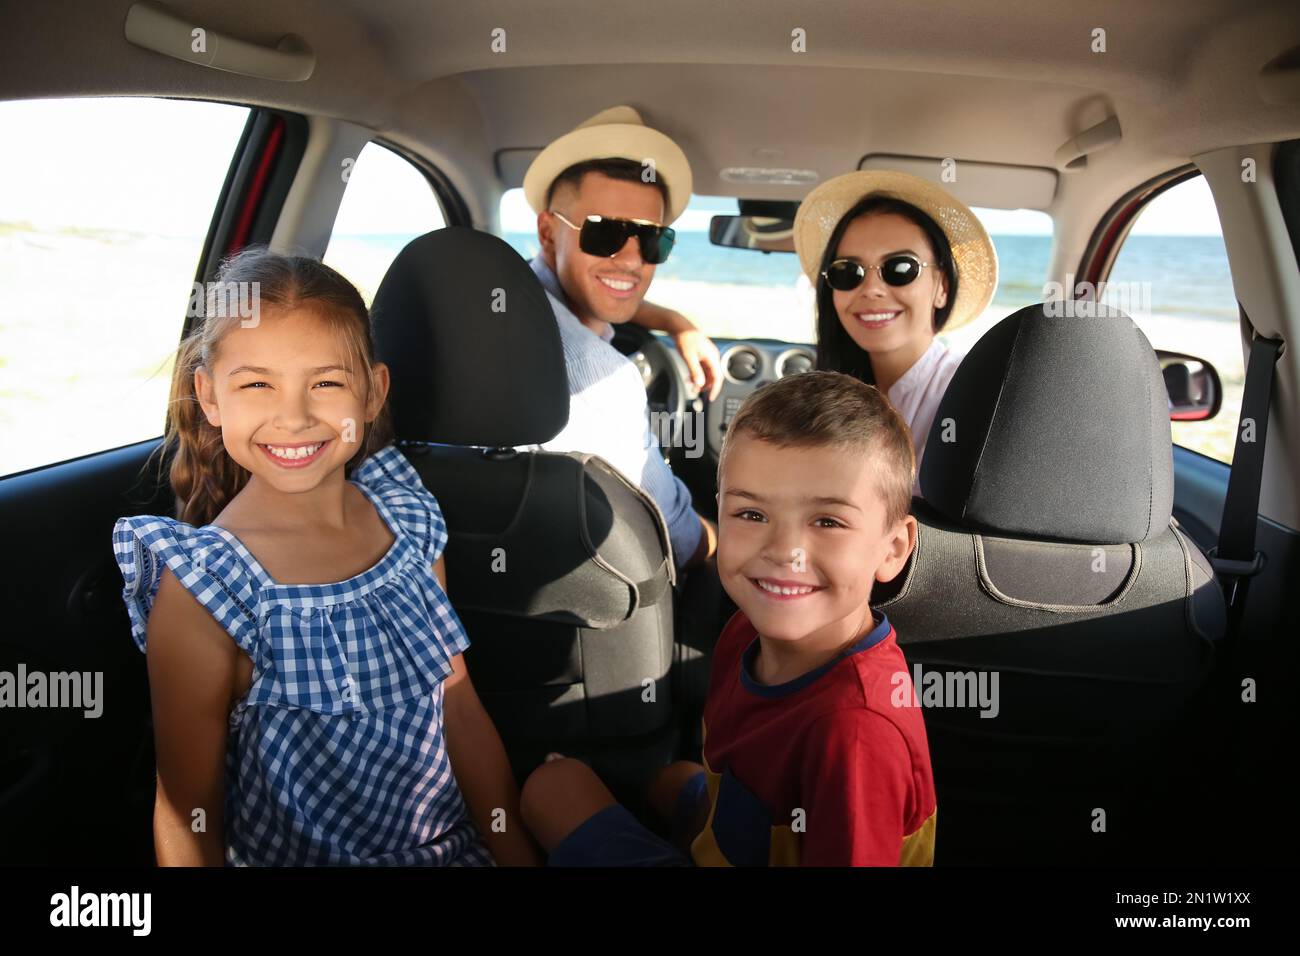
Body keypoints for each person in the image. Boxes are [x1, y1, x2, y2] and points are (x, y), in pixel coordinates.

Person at [112, 248, 538, 866]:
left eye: (327, 382)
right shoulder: (208, 590)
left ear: (372, 392)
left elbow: (459, 708)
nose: (294, 417)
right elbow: (186, 812)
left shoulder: (409, 524)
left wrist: (514, 853)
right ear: (209, 396)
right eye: (257, 384)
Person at [520, 371, 937, 866]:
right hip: (741, 825)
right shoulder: (743, 631)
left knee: (550, 787)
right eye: (752, 515)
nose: (787, 553)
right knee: (667, 779)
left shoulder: (855, 736)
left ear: (892, 549)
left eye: (828, 521)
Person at [519, 105, 719, 571]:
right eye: (605, 232)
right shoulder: (605, 380)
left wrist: (674, 321)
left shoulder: (498, 298)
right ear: (549, 233)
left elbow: (594, 291)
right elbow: (676, 536)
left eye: (652, 241)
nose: (632, 261)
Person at [793, 171, 999, 493]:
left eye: (900, 268)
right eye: (849, 271)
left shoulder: (974, 396)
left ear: (942, 287)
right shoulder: (819, 394)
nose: (872, 289)